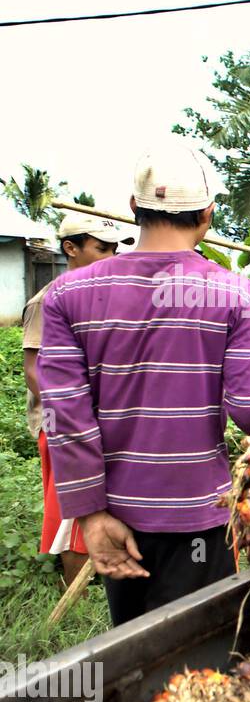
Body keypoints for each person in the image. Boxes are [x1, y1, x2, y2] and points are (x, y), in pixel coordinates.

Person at [38, 138, 250, 625]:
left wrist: (91, 515)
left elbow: (64, 414)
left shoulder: (67, 294)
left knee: (133, 649)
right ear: (207, 214)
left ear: (135, 208)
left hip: (117, 519)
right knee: (194, 656)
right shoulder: (235, 294)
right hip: (199, 516)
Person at [22, 215, 134, 587]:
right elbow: (36, 373)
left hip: (97, 420)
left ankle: (106, 574)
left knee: (100, 500)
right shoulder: (49, 299)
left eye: (115, 248)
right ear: (70, 248)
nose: (111, 256)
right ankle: (74, 595)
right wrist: (76, 418)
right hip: (62, 424)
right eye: (101, 248)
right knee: (74, 512)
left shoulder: (101, 297)